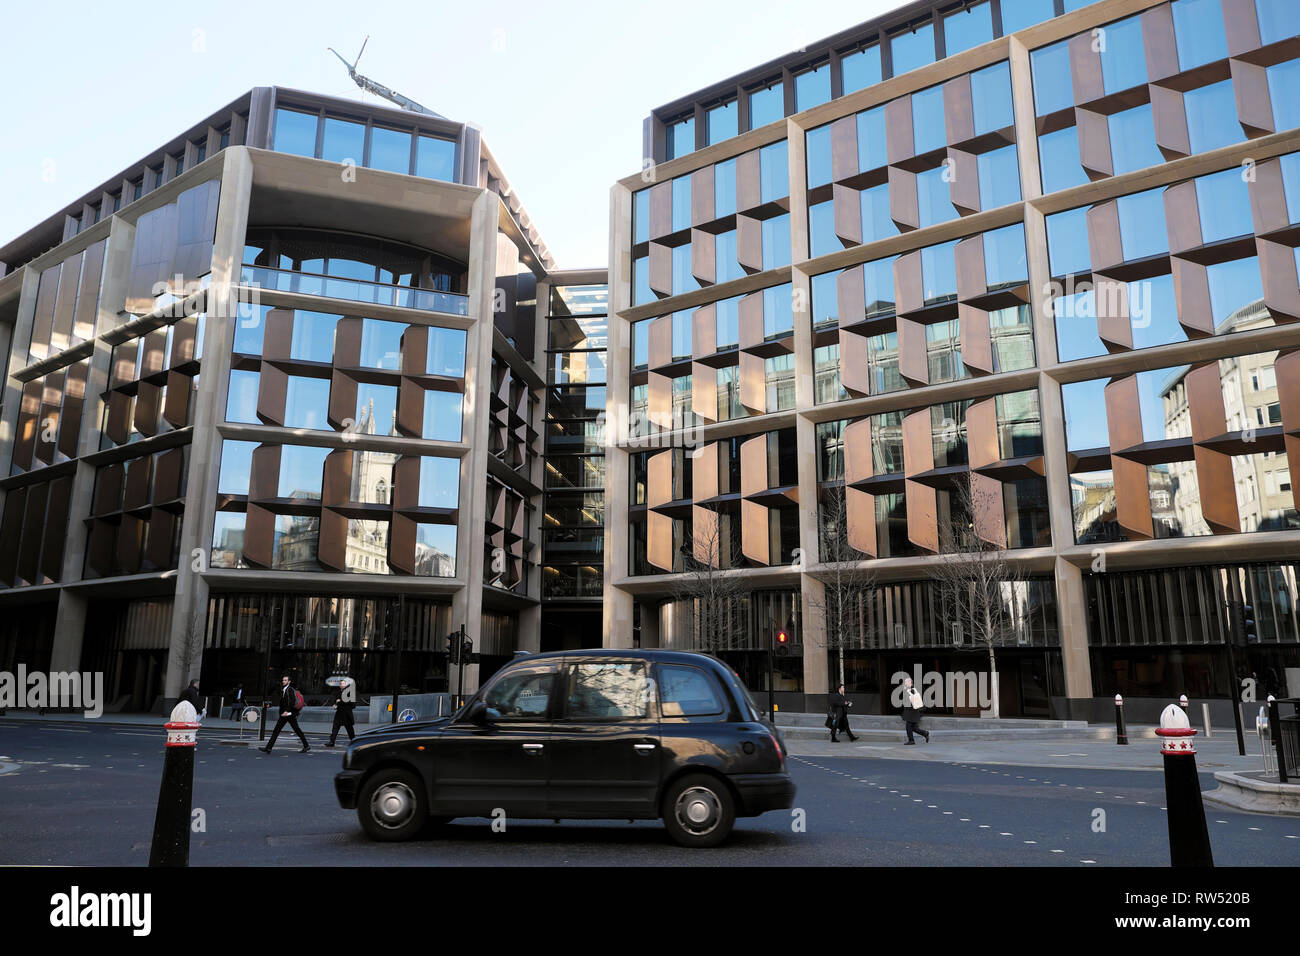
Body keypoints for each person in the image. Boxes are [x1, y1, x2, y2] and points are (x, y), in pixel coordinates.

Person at [260, 676, 310, 754]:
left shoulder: (289, 690)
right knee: (279, 730)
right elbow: (283, 703)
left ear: (289, 682)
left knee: (294, 730)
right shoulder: (284, 690)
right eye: (283, 680)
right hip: (285, 714)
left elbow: (292, 702)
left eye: (285, 680)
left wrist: (287, 711)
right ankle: (268, 748)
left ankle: (306, 745)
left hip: (288, 714)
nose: (283, 681)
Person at [900, 675, 929, 744]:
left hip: (912, 711)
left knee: (908, 726)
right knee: (914, 728)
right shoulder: (908, 689)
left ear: (910, 683)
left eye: (906, 682)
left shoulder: (912, 690)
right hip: (911, 711)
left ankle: (911, 740)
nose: (905, 683)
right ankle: (925, 733)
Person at [326, 680, 356, 748]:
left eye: (342, 684)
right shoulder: (339, 692)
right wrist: (335, 705)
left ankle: (354, 741)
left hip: (346, 714)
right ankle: (332, 742)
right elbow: (336, 700)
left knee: (349, 728)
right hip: (339, 713)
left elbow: (353, 704)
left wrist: (341, 701)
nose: (341, 685)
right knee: (335, 727)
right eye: (340, 684)